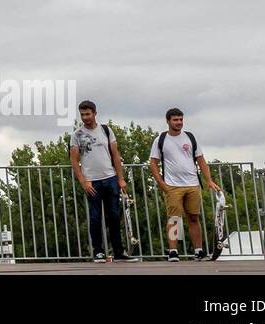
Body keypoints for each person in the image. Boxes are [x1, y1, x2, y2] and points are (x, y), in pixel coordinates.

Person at [148, 108, 221, 261]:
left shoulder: (190, 137)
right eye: (175, 120)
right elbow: (153, 163)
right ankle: (173, 251)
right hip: (172, 185)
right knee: (174, 218)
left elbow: (201, 160)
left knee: (194, 217)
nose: (179, 122)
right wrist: (161, 183)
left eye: (181, 119)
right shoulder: (161, 139)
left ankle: (199, 250)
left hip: (193, 184)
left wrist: (209, 180)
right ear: (168, 121)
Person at [69, 100, 136, 262]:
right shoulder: (76, 135)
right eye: (82, 114)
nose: (85, 117)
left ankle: (119, 251)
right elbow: (74, 161)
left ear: (95, 113)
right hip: (92, 181)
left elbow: (115, 155)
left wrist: (120, 178)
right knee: (95, 217)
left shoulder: (106, 130)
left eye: (88, 114)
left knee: (113, 216)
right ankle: (98, 251)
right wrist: (84, 181)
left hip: (110, 178)